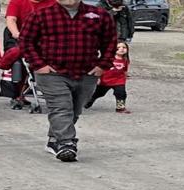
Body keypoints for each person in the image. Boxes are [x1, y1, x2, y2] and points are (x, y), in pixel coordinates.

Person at [19, 0, 116, 162]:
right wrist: (39, 65)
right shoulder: (40, 15)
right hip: (52, 72)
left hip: (87, 72)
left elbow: (111, 42)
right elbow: (25, 41)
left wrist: (103, 65)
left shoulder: (100, 15)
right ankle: (66, 143)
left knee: (75, 110)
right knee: (61, 107)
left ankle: (53, 140)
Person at [84, 39, 128, 113]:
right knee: (98, 93)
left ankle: (120, 107)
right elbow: (101, 69)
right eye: (118, 48)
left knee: (121, 93)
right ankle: (88, 101)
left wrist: (125, 76)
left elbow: (125, 70)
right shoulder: (108, 59)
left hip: (119, 80)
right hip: (106, 81)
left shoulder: (125, 60)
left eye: (124, 47)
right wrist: (98, 78)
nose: (121, 49)